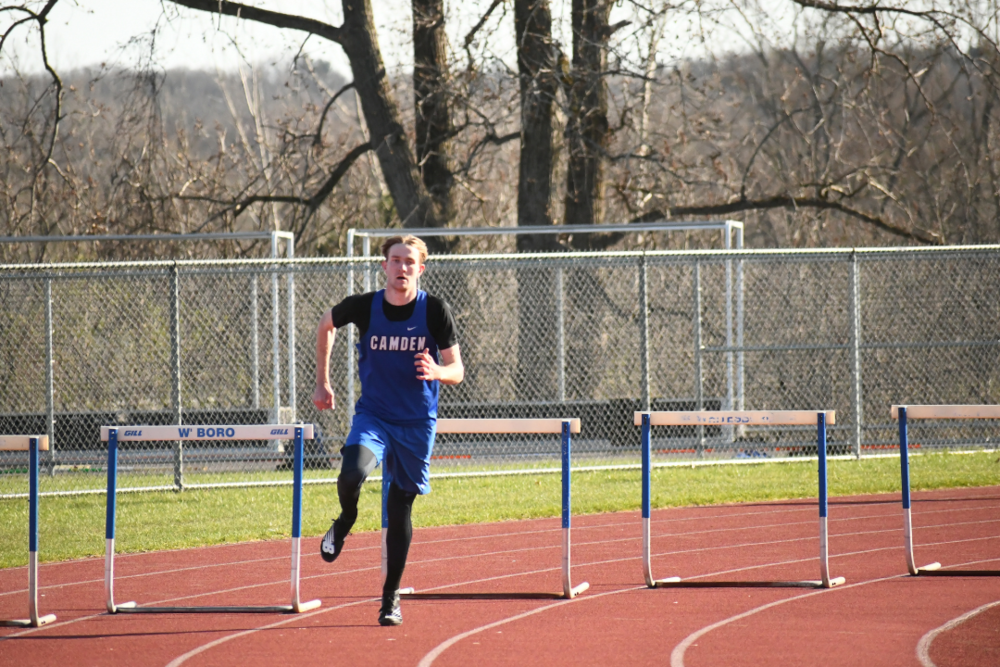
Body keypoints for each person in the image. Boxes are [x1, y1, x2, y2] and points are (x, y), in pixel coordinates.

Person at [312, 234, 464, 626]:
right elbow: (327, 324)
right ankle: (345, 520)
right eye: (395, 261)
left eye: (409, 262)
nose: (401, 268)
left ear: (420, 268)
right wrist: (322, 382)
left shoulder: (434, 311)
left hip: (416, 423)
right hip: (374, 416)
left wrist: (437, 372)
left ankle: (390, 597)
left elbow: (458, 370)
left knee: (399, 511)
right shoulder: (365, 306)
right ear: (384, 266)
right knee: (352, 473)